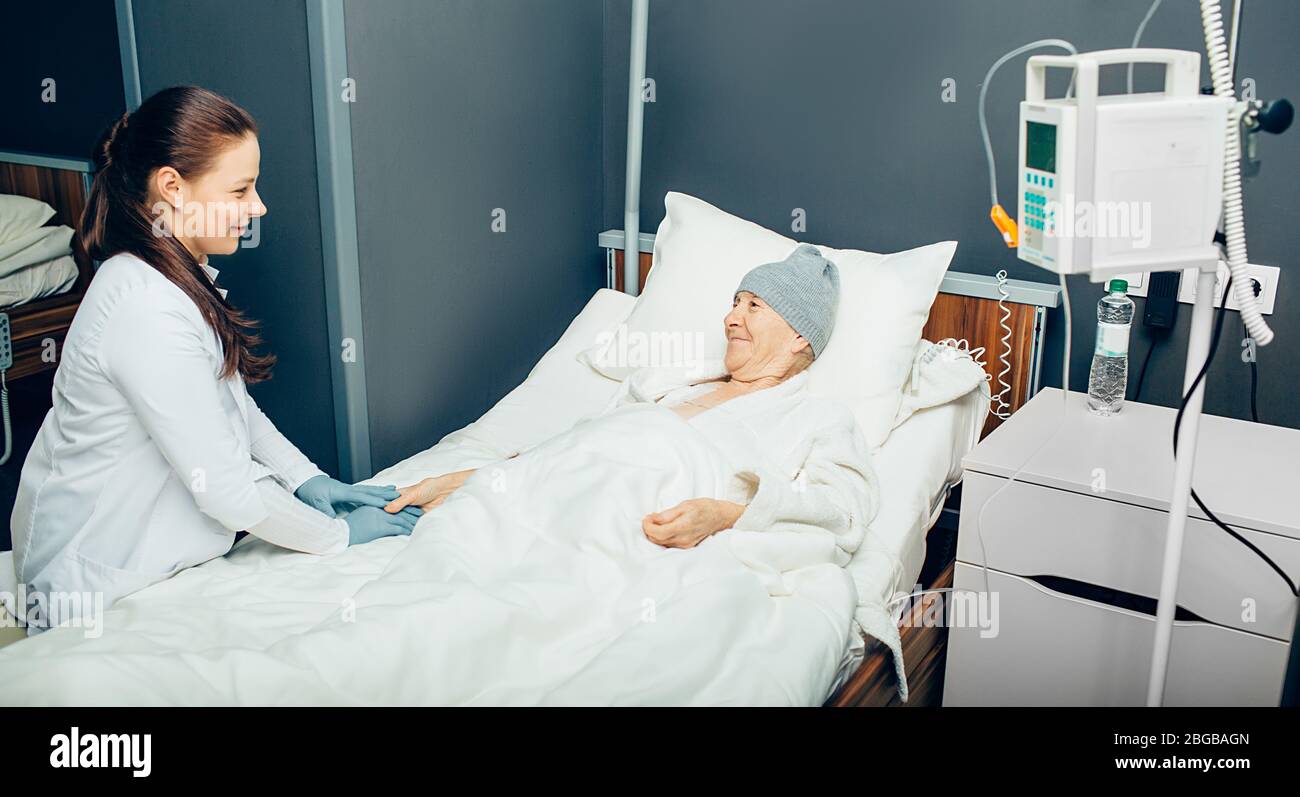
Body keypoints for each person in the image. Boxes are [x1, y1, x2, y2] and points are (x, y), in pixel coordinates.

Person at [10, 87, 417, 634]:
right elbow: (224, 488)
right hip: (97, 584)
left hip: (157, 556)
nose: (258, 207)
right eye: (241, 189)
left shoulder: (175, 279)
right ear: (173, 188)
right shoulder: (143, 306)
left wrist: (307, 481)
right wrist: (338, 537)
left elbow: (232, 408)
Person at [384, 244, 864, 550]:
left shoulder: (819, 419)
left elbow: (842, 514)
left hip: (634, 530)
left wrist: (724, 516)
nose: (731, 318)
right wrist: (477, 478)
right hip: (562, 498)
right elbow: (586, 448)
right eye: (734, 303)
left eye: (753, 306)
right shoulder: (673, 383)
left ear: (800, 335)